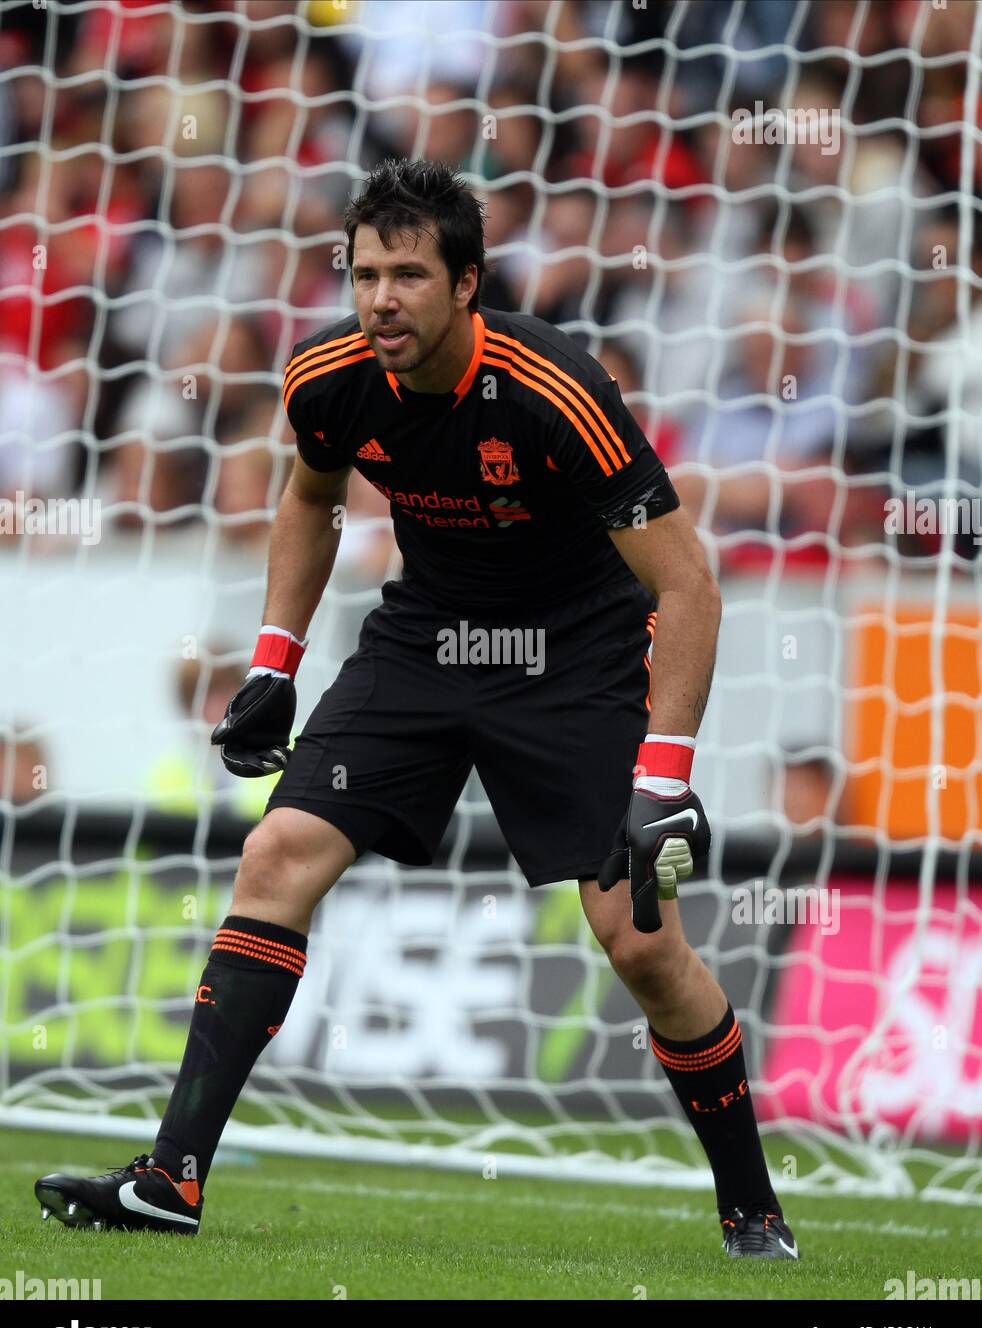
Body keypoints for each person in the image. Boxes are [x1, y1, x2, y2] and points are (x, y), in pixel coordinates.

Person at [35, 159, 797, 1261]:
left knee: (638, 944)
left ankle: (751, 1210)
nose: (379, 297)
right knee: (278, 851)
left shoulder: (557, 389)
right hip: (426, 639)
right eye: (363, 273)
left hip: (574, 658)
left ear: (466, 283)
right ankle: (170, 1180)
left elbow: (688, 584)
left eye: (406, 275)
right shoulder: (328, 378)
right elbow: (309, 499)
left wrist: (664, 776)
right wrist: (272, 665)